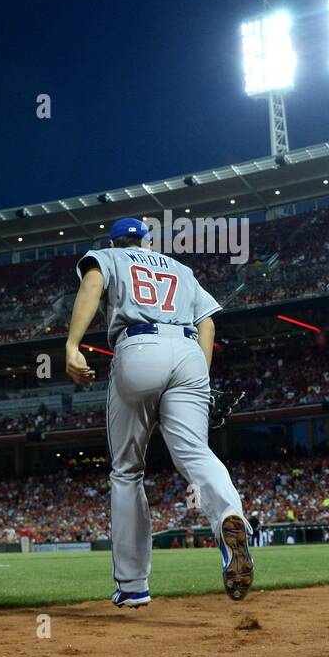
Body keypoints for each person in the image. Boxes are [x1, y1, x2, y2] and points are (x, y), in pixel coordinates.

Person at [65, 217, 253, 607]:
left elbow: (93, 283)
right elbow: (207, 323)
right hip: (188, 353)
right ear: (149, 243)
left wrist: (72, 344)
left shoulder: (110, 257)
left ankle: (133, 587)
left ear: (115, 243)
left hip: (138, 348)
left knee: (127, 470)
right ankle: (229, 516)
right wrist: (201, 377)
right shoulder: (181, 269)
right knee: (197, 454)